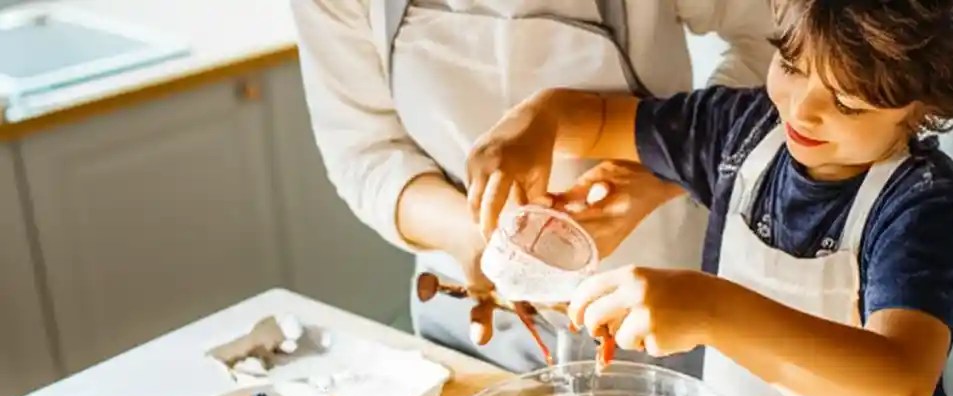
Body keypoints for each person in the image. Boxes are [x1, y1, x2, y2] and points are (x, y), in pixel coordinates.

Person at [466, 0, 953, 396]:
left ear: (926, 106)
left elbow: (898, 391)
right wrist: (537, 120)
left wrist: (711, 310)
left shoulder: (923, 204)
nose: (801, 107)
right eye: (791, 63)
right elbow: (593, 121)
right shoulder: (739, 130)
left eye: (848, 102)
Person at [289, 0, 776, 374]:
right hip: (467, 320)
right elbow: (365, 149)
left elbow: (775, 41)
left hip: (655, 306)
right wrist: (474, 238)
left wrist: (660, 171)